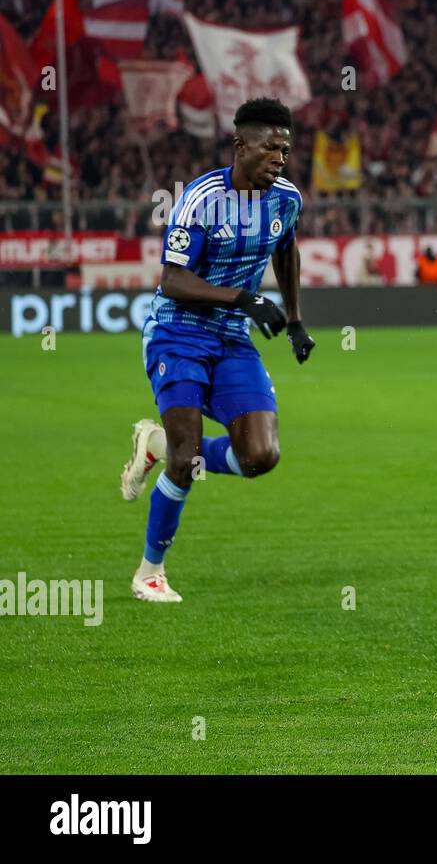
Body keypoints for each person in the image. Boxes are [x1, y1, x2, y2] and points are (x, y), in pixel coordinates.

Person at [119, 98, 315, 602]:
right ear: (240, 145)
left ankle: (155, 446)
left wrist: (294, 321)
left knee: (261, 456)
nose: (279, 157)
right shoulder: (200, 199)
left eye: (285, 149)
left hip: (231, 340)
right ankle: (150, 572)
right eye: (270, 147)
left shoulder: (286, 199)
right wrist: (246, 298)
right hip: (178, 334)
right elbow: (174, 280)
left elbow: (286, 249)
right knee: (185, 462)